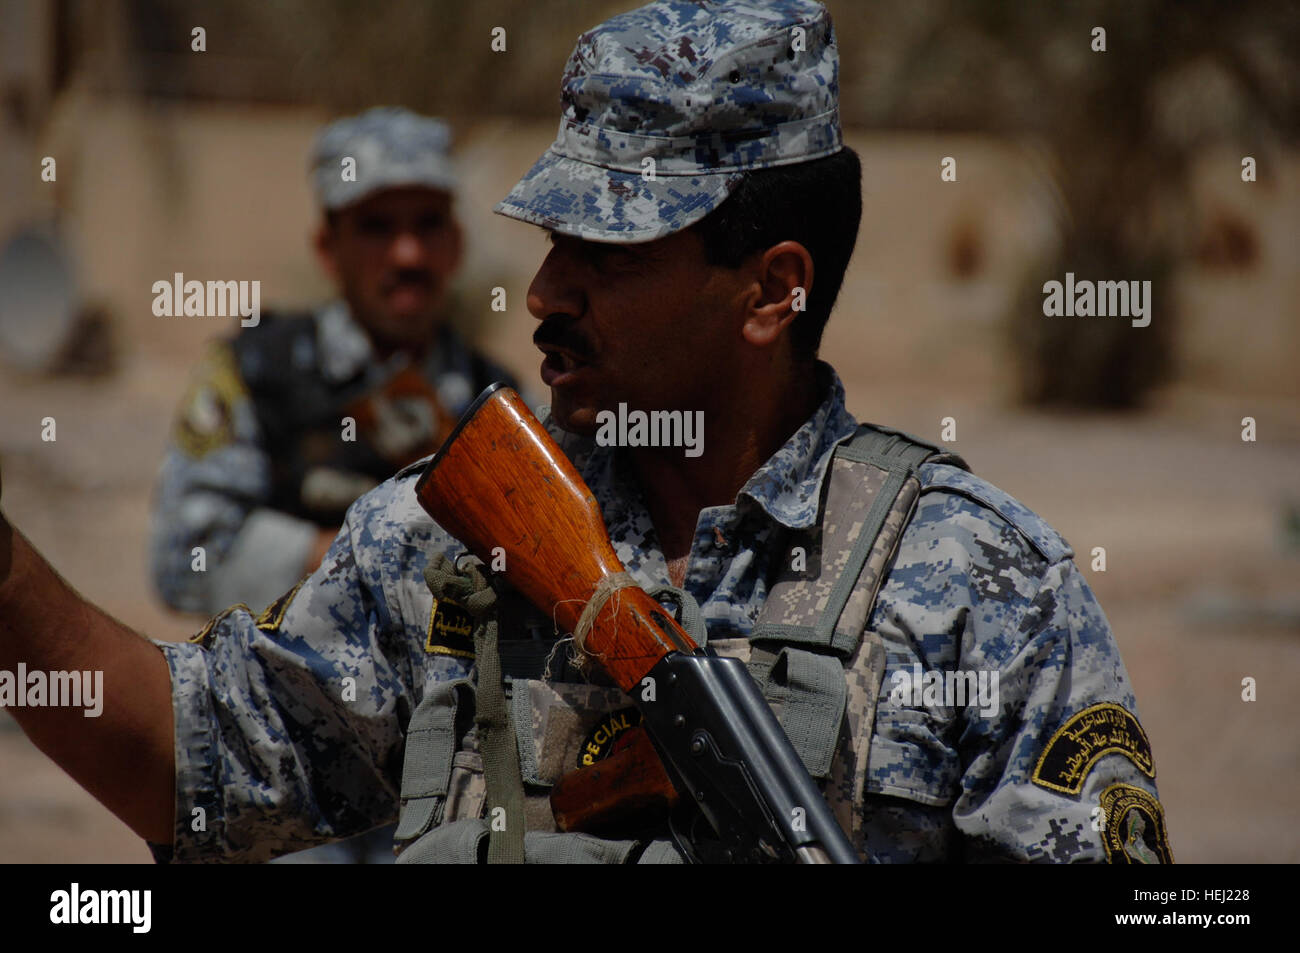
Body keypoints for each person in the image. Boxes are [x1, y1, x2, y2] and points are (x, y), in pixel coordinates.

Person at [0, 0, 1170, 864]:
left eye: (609, 254)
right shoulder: (442, 537)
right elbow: (202, 762)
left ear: (770, 290)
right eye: (553, 241)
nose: (546, 292)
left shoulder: (984, 588)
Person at [150, 106, 517, 619]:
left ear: (455, 244)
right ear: (327, 248)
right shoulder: (255, 373)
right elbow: (184, 566)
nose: (408, 255)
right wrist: (371, 552)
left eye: (428, 223)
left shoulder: (500, 401)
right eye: (377, 227)